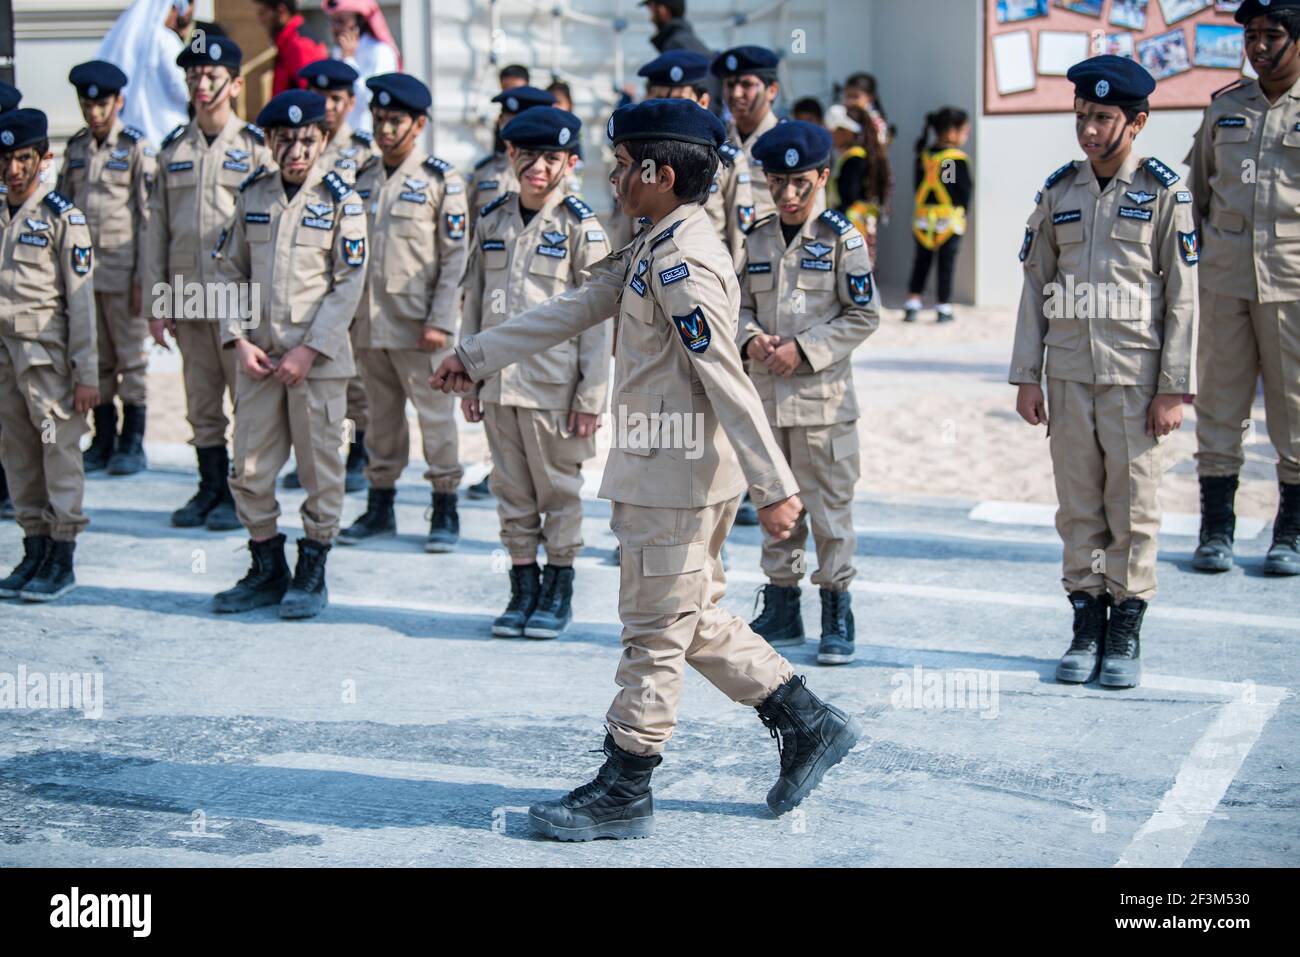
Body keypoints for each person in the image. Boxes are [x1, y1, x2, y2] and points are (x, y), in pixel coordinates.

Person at [431, 99, 861, 841]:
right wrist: (476, 356)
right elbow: (576, 304)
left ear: (659, 174)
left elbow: (726, 376)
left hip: (677, 475)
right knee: (688, 616)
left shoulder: (681, 259)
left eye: (625, 165)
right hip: (666, 468)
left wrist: (777, 487)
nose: (616, 177)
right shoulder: (656, 240)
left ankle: (627, 780)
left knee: (652, 631)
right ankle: (807, 720)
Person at [1010, 56, 1198, 689]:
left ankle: (1126, 627)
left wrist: (1172, 387)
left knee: (1134, 506)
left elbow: (1184, 297)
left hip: (1136, 380)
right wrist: (1027, 375)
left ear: (1137, 122)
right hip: (1067, 377)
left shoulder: (1164, 193)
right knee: (1080, 507)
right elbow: (1035, 287)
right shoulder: (1058, 193)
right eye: (1082, 116)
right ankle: (1086, 621)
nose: (1088, 129)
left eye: (1103, 118)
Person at [209, 90, 368, 620]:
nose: (296, 150)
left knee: (321, 469)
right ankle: (266, 566)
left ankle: (312, 569)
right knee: (249, 467)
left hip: (316, 364)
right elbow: (228, 270)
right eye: (284, 139)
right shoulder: (253, 195)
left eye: (307, 140)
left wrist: (309, 348)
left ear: (323, 139)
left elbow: (349, 283)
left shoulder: (341, 200)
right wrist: (237, 337)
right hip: (259, 359)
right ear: (270, 142)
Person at [460, 107, 611, 638]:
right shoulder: (492, 220)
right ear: (511, 156)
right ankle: (523, 586)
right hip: (500, 385)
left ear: (570, 162)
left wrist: (591, 395)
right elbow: (474, 301)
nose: (538, 168)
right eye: (528, 156)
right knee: (512, 491)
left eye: (552, 158)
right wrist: (471, 374)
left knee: (559, 492)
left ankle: (558, 587)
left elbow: (597, 320)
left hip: (554, 387)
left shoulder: (580, 227)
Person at [739, 121, 878, 665]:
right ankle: (783, 604)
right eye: (777, 183)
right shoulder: (756, 239)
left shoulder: (843, 238)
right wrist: (750, 338)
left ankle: (836, 608)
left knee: (829, 511)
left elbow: (864, 314)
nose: (788, 195)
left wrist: (806, 347)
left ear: (822, 177)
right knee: (776, 506)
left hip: (824, 406)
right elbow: (738, 307)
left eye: (800, 183)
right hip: (768, 402)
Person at [142, 36, 275, 531]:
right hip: (188, 296)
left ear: (236, 83)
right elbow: (155, 230)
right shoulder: (172, 149)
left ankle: (243, 492)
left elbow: (270, 234)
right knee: (200, 403)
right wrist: (159, 301)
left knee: (248, 403)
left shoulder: (258, 149)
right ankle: (210, 486)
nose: (201, 83)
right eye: (193, 74)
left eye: (210, 74)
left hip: (238, 300)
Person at [1187, 0, 1300, 577]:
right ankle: (1216, 531)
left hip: (1293, 287)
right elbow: (1199, 195)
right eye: (1251, 35)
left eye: (1271, 34)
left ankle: (1290, 533)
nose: (1257, 46)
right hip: (1227, 283)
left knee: (1295, 411)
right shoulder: (1225, 109)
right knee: (1219, 405)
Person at [338, 74, 468, 553]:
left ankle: (445, 505)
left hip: (420, 328)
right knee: (379, 419)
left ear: (418, 125)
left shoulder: (440, 181)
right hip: (370, 324)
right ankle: (380, 506)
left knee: (436, 420)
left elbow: (456, 257)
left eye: (396, 120)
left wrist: (440, 320)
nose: (385, 128)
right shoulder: (361, 178)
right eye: (379, 118)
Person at [0, 108, 98, 601]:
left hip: (49, 360)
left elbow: (81, 303)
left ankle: (62, 556)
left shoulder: (62, 217)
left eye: (23, 159)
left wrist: (88, 373)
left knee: (58, 454)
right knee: (18, 454)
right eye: (5, 160)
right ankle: (34, 548)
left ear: (44, 158)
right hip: (4, 360)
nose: (14, 170)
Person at [57, 61, 156, 478]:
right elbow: (61, 211)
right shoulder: (76, 149)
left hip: (123, 273)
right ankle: (104, 438)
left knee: (130, 360)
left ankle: (132, 442)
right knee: (95, 361)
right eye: (87, 104)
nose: (94, 113)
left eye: (102, 105)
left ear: (119, 102)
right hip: (83, 277)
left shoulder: (135, 148)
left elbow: (149, 218)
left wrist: (144, 281)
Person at [290, 56, 381, 495]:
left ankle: (358, 453)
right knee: (312, 374)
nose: (328, 105)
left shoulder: (364, 151)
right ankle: (314, 454)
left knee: (356, 376)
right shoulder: (299, 141)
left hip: (351, 277)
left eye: (336, 98)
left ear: (350, 102)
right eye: (321, 97)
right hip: (307, 281)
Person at [638, 50, 754, 268]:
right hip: (647, 282)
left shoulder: (727, 161)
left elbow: (740, 241)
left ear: (702, 102)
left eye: (678, 101)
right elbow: (626, 232)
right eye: (659, 100)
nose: (667, 111)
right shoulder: (639, 161)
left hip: (704, 278)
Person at [903, 107, 971, 323]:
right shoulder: (950, 160)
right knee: (945, 264)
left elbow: (918, 186)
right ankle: (943, 307)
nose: (965, 136)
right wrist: (962, 207)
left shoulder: (923, 156)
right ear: (952, 132)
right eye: (964, 131)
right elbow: (955, 188)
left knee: (921, 261)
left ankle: (913, 302)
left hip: (923, 218)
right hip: (946, 220)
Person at [95, 0, 191, 148]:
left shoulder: (128, 37)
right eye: (175, 10)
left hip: (132, 135)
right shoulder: (165, 40)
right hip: (166, 136)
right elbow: (183, 89)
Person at [467, 85, 556, 226]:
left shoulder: (557, 173)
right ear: (501, 122)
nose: (516, 132)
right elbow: (470, 229)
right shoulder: (483, 173)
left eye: (523, 125)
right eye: (509, 123)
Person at [713, 45, 783, 223]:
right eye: (730, 85)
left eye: (746, 85)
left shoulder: (788, 143)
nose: (736, 94)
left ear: (772, 90)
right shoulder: (715, 141)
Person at [322, 0, 401, 135]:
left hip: (367, 138)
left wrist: (349, 61)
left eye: (341, 21)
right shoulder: (338, 52)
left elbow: (371, 101)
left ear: (360, 22)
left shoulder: (381, 52)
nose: (334, 28)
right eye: (332, 21)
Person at [825, 103, 886, 266]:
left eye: (836, 131)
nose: (832, 135)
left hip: (852, 222)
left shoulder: (855, 159)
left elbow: (849, 192)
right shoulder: (850, 157)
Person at [641, 0, 722, 116]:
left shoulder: (675, 44)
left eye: (651, 10)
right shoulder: (692, 42)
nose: (650, 19)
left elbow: (672, 104)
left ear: (663, 10)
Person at [253, 0, 327, 96]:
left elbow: (310, 95)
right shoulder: (288, 40)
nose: (260, 20)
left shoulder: (300, 44)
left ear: (281, 10)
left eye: (262, 13)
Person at [842, 72, 889, 146]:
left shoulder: (875, 123)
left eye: (855, 96)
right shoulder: (843, 117)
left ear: (870, 97)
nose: (850, 102)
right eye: (847, 96)